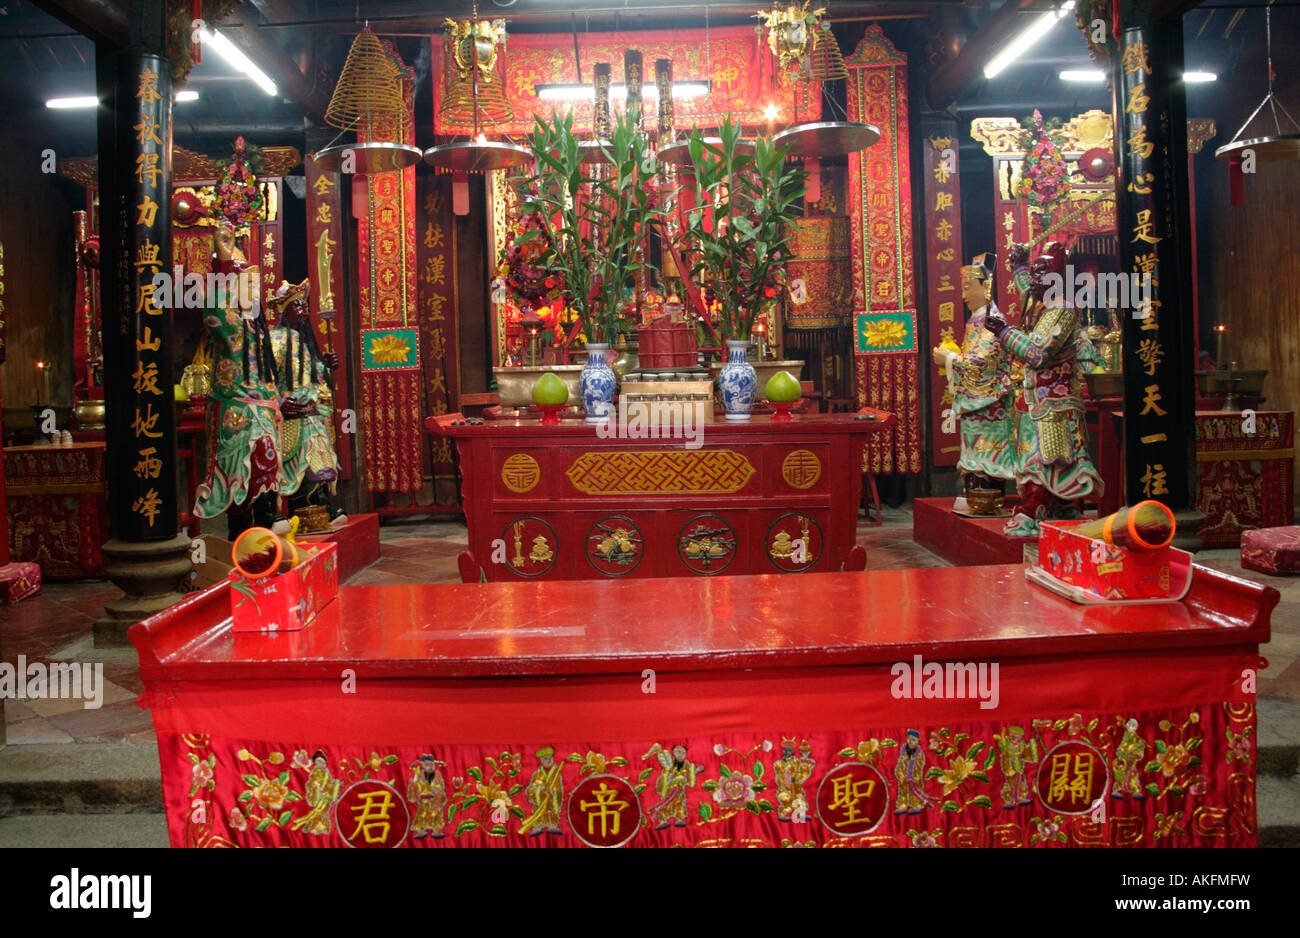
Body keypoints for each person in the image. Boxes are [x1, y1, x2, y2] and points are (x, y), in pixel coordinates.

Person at [986, 241, 1103, 536]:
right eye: (1034, 275)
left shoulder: (1061, 309)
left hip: (1054, 403)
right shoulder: (1041, 301)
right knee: (1033, 455)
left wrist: (1004, 331)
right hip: (1035, 400)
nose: (1033, 281)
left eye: (1041, 274)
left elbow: (1037, 353)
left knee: (1046, 458)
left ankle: (1037, 509)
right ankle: (1053, 508)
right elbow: (1027, 286)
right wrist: (1018, 264)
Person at [193, 223, 283, 540]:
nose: (254, 292)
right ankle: (242, 537)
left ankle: (266, 527)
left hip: (262, 412)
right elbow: (212, 313)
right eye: (247, 285)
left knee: (266, 468)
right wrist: (223, 264)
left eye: (255, 287)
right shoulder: (230, 327)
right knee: (240, 473)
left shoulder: (259, 333)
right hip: (236, 412)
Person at [932, 253, 1018, 498]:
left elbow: (985, 359)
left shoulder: (993, 320)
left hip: (990, 402)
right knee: (974, 457)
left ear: (986, 286)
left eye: (968, 288)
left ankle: (987, 500)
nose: (963, 295)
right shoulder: (976, 320)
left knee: (987, 460)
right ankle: (978, 498)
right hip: (977, 403)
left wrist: (949, 359)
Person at [266, 279, 342, 520]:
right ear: (285, 311)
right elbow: (266, 378)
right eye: (297, 306)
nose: (304, 312)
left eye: (304, 307)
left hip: (312, 414)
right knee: (296, 464)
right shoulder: (275, 339)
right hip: (291, 415)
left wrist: (328, 367)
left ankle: (322, 505)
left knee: (320, 460)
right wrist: (278, 402)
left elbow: (318, 379)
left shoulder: (307, 344)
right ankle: (302, 509)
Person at [518, 745, 565, 836]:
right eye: (546, 759)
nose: (549, 761)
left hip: (551, 800)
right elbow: (531, 789)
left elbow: (559, 787)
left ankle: (553, 826)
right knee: (538, 813)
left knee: (552, 812)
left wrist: (554, 791)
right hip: (541, 802)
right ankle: (537, 827)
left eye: (550, 758)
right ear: (541, 761)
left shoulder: (557, 773)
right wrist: (540, 790)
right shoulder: (537, 774)